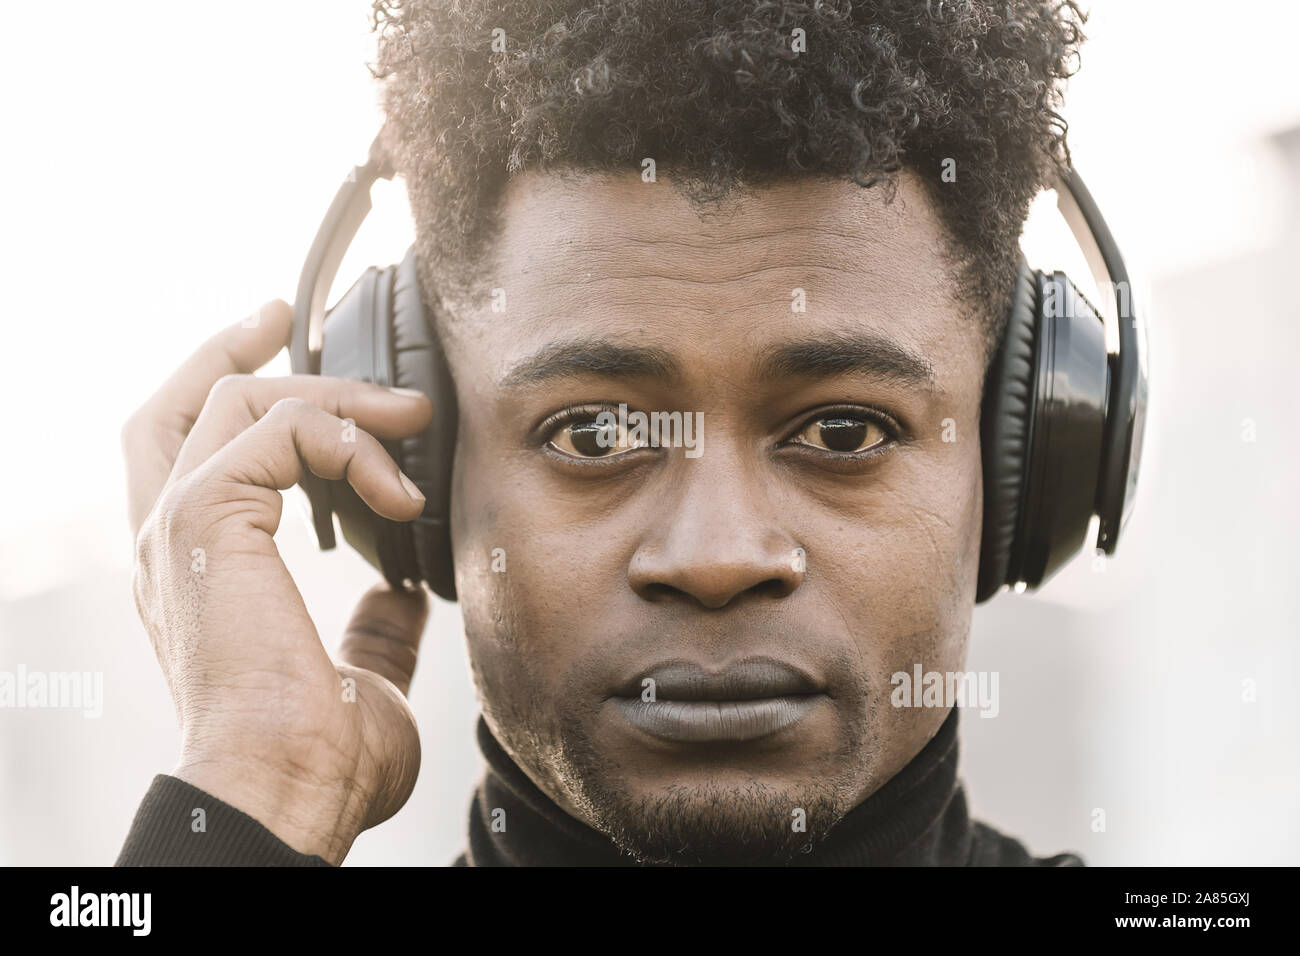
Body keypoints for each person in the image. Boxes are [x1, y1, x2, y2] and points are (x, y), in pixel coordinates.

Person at [116, 0, 1089, 866]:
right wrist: (258, 787)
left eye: (841, 431)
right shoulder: (263, 804)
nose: (716, 556)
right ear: (421, 467)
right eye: (593, 432)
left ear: (1030, 473)